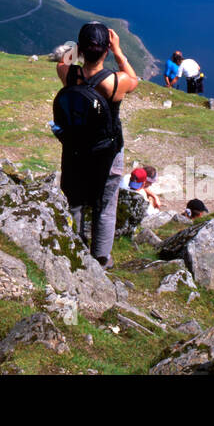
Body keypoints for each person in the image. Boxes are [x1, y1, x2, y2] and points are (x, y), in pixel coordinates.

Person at [52, 22, 140, 271]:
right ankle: (101, 258)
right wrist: (119, 52)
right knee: (105, 204)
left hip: (75, 149)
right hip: (107, 153)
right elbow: (133, 79)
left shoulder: (67, 74)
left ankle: (75, 248)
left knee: (75, 200)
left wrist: (77, 48)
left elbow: (64, 61)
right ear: (105, 50)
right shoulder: (115, 82)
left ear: (81, 49)